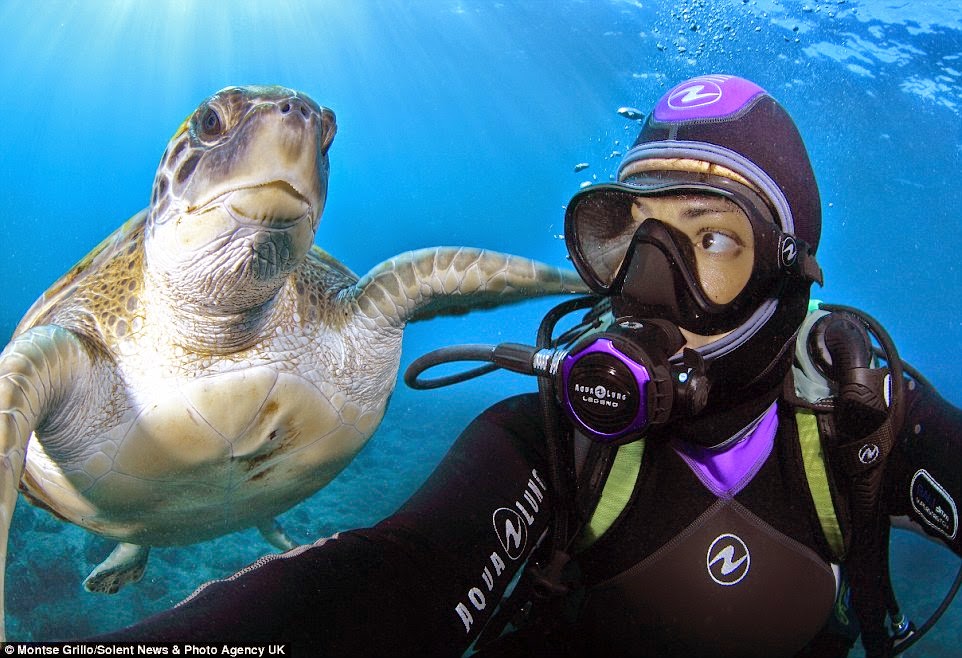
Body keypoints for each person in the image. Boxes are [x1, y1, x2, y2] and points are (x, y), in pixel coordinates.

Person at [91, 75, 962, 657]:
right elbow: (395, 578)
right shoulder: (561, 435)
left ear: (788, 267)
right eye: (624, 237)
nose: (649, 288)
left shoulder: (866, 425)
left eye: (714, 239)